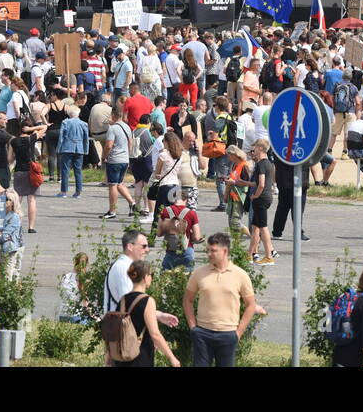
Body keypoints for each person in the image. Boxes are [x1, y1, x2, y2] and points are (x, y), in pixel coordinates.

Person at [183, 231, 256, 368]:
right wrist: (193, 327)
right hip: (203, 333)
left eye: (213, 251)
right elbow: (187, 300)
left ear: (225, 251)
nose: (209, 254)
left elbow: (250, 305)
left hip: (228, 334)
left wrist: (238, 333)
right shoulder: (199, 273)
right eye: (208, 250)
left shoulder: (240, 275)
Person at [108, 260, 180, 368]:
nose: (151, 277)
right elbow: (155, 334)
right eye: (151, 274)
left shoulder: (123, 300)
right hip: (140, 356)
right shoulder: (148, 301)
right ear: (145, 277)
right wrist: (172, 357)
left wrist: (108, 360)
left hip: (122, 356)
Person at [100, 103, 138, 220]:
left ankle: (112, 210)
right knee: (119, 183)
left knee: (112, 185)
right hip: (125, 159)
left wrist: (104, 157)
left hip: (115, 159)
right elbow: (130, 143)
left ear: (113, 115)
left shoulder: (113, 128)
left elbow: (108, 145)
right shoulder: (127, 127)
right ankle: (132, 203)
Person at [247, 138, 275, 265]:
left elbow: (261, 184)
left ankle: (269, 256)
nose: (254, 150)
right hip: (267, 196)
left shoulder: (261, 164)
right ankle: (250, 254)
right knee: (256, 227)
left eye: (256, 148)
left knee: (262, 227)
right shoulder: (269, 163)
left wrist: (255, 196)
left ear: (261, 149)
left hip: (261, 197)